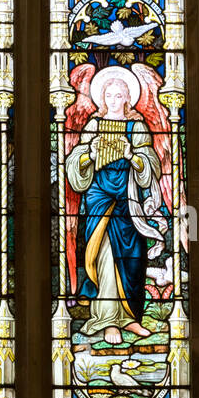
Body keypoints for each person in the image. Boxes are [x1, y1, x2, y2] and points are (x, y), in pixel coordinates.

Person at [66, 67, 166, 345]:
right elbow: (75, 168)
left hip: (128, 198)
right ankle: (107, 318)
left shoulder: (137, 126)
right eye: (108, 94)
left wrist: (131, 154)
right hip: (100, 197)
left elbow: (152, 166)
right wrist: (90, 154)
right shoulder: (94, 125)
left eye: (118, 94)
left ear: (127, 99)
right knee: (105, 257)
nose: (112, 99)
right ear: (101, 97)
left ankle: (130, 318)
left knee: (132, 257)